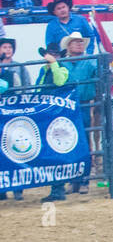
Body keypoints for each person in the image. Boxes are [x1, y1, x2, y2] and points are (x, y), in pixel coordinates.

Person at [38, 32, 99, 201]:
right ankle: (75, 180)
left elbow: (98, 80)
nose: (79, 44)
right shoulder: (64, 64)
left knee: (84, 140)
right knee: (70, 142)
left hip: (83, 104)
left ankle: (83, 179)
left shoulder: (90, 61)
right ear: (69, 46)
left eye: (81, 42)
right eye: (76, 42)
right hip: (66, 107)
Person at [0, 37, 31, 202]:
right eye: (4, 47)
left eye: (9, 47)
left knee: (16, 149)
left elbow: (23, 90)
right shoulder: (12, 72)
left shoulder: (17, 69)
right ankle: (3, 189)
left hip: (13, 115)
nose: (7, 50)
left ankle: (18, 188)